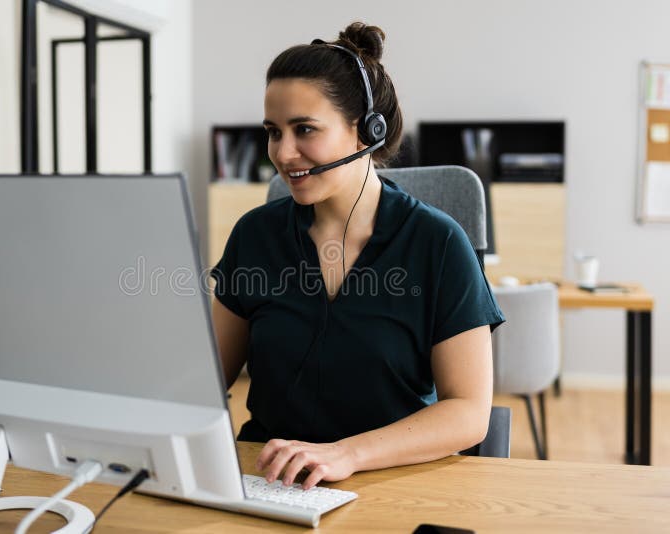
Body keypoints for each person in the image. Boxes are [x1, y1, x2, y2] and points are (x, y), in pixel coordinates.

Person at [211, 22, 504, 491]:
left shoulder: (438, 245)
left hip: (394, 482)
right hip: (270, 482)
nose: (283, 154)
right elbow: (205, 383)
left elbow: (469, 413)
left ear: (367, 131)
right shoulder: (254, 236)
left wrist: (347, 454)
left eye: (304, 129)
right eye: (273, 132)